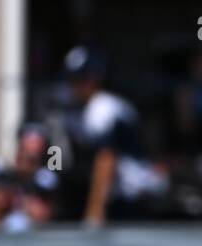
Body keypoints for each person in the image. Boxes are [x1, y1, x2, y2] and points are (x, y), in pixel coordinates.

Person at [63, 45, 168, 225]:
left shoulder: (103, 108)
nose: (77, 85)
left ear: (96, 77)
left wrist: (95, 210)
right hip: (125, 194)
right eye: (73, 79)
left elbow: (106, 158)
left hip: (135, 195)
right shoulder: (88, 109)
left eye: (82, 79)